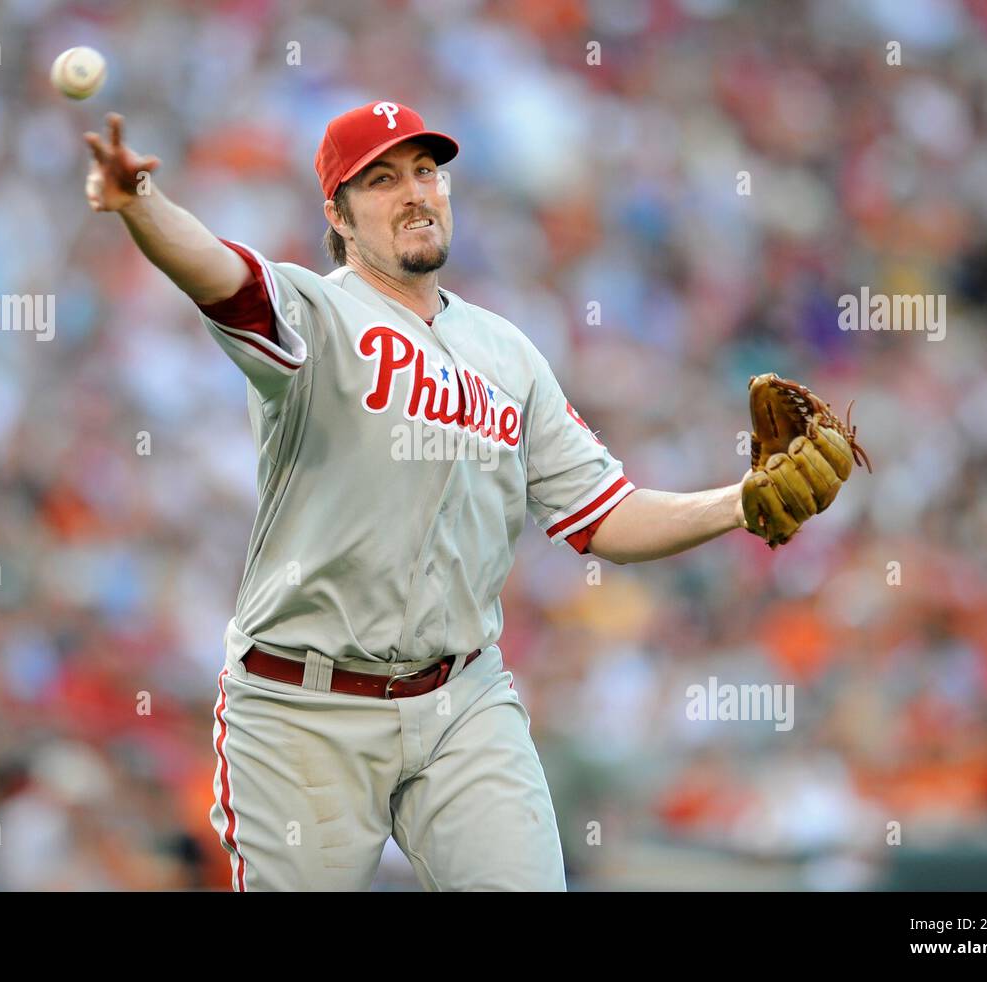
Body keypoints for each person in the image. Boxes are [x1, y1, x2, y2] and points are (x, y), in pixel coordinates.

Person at [82, 100, 846, 890]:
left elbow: (604, 513)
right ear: (338, 216)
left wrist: (738, 503)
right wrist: (144, 206)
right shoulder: (318, 313)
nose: (414, 192)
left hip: (461, 699)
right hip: (301, 707)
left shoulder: (504, 351)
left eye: (424, 171)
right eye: (380, 180)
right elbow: (221, 276)